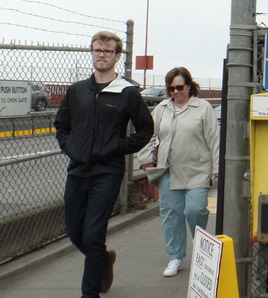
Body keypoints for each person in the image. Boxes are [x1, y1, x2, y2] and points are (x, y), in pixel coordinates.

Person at [54, 31, 154, 298]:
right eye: (97, 50)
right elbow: (62, 125)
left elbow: (145, 130)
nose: (101, 55)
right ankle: (103, 260)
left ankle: (90, 293)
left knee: (93, 235)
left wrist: (118, 148)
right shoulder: (77, 90)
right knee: (75, 232)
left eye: (107, 51)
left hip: (107, 173)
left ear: (117, 56)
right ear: (92, 52)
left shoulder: (127, 92)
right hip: (77, 171)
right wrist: (70, 147)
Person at [138, 67, 219, 277]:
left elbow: (214, 140)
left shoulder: (202, 108)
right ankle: (175, 257)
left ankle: (200, 247)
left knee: (195, 210)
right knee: (171, 215)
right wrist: (146, 160)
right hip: (168, 170)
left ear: (189, 87)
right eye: (171, 88)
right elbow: (150, 135)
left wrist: (216, 169)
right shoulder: (162, 109)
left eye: (179, 87)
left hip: (197, 170)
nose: (175, 91)